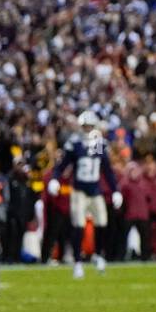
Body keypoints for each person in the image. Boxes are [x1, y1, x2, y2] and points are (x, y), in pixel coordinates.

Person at [50, 110, 122, 278]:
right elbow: (62, 165)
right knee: (79, 226)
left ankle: (97, 255)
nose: (88, 130)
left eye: (91, 126)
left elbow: (107, 170)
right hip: (79, 190)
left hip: (95, 190)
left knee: (102, 223)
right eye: (85, 127)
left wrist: (115, 190)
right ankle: (78, 262)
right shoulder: (74, 144)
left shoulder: (99, 144)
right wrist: (55, 179)